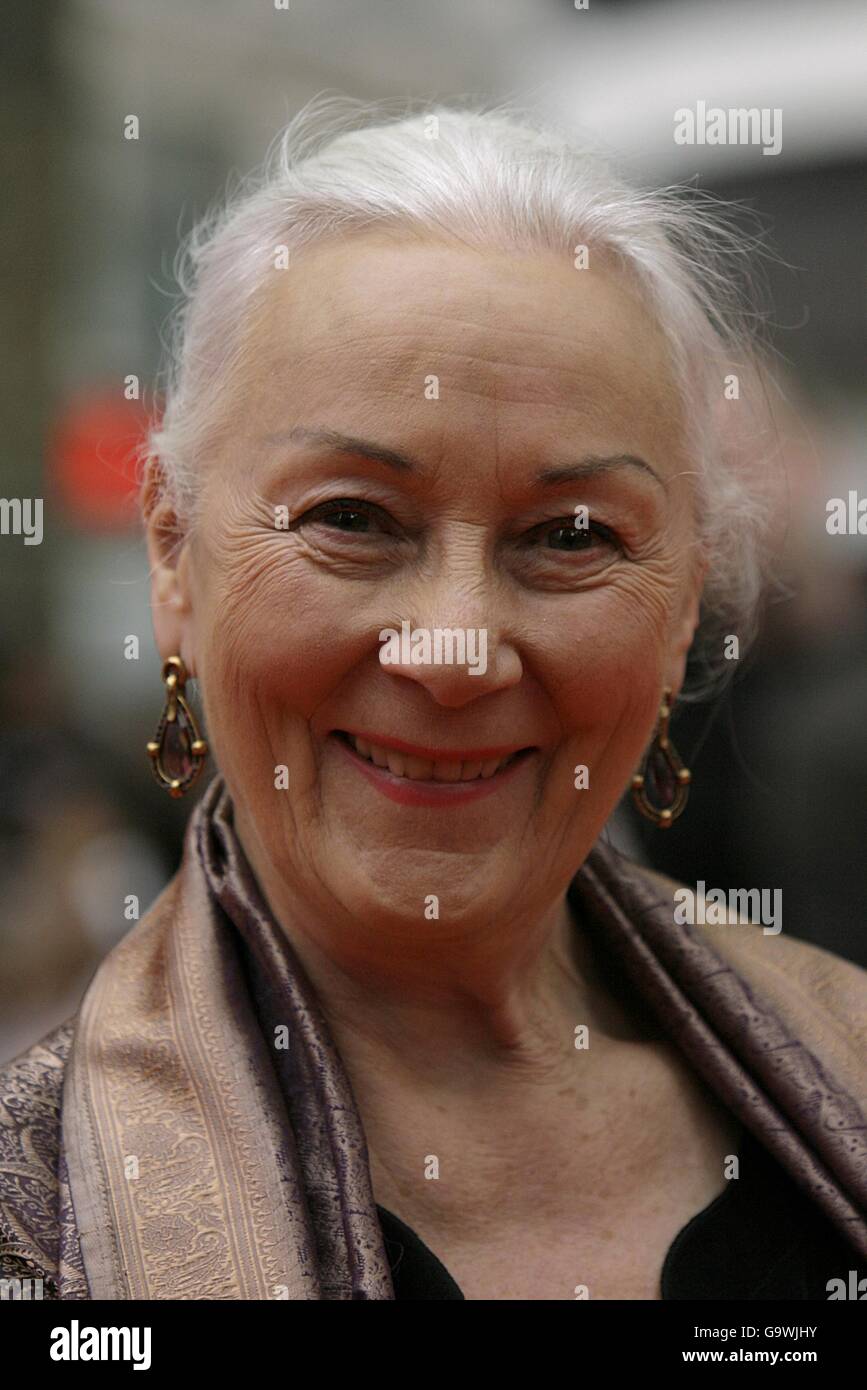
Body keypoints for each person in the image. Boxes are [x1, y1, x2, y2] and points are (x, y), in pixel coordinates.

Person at [1, 98, 864, 1301]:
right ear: (172, 555)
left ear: (680, 611)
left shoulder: (846, 1062)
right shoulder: (40, 1222)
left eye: (569, 536)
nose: (454, 648)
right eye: (350, 519)